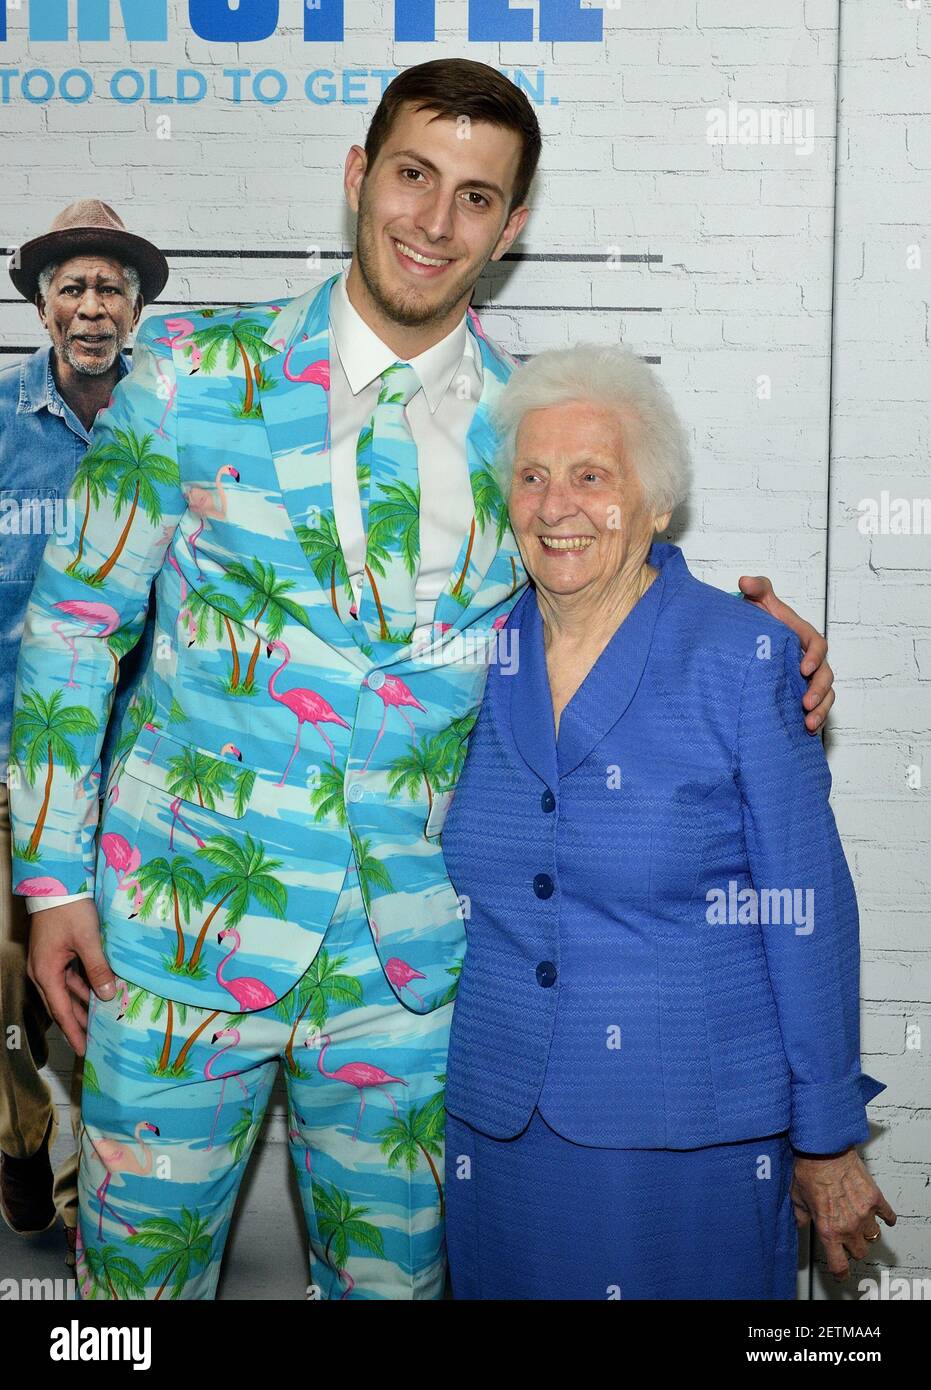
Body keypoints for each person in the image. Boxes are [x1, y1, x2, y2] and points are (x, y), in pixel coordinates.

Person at [9, 61, 833, 1301]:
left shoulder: (529, 424)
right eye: (412, 176)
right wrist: (50, 876)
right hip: (170, 940)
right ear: (359, 178)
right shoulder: (185, 376)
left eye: (475, 197)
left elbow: (611, 577)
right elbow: (73, 623)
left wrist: (765, 640)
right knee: (127, 1308)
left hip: (412, 972)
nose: (434, 222)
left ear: (509, 227)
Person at [441, 343, 895, 1300]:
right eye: (531, 477)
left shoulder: (742, 656)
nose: (555, 504)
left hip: (690, 1139)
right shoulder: (465, 659)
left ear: (654, 504)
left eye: (590, 477)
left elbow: (803, 906)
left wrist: (824, 1136)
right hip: (499, 1132)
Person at [0, 200, 164, 1263]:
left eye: (110, 287)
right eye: (73, 286)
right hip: (11, 752)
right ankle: (21, 1142)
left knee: (107, 984)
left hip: (134, 769)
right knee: (3, 990)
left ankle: (85, 1190)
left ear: (137, 307)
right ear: (43, 304)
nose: (91, 305)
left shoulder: (169, 416)